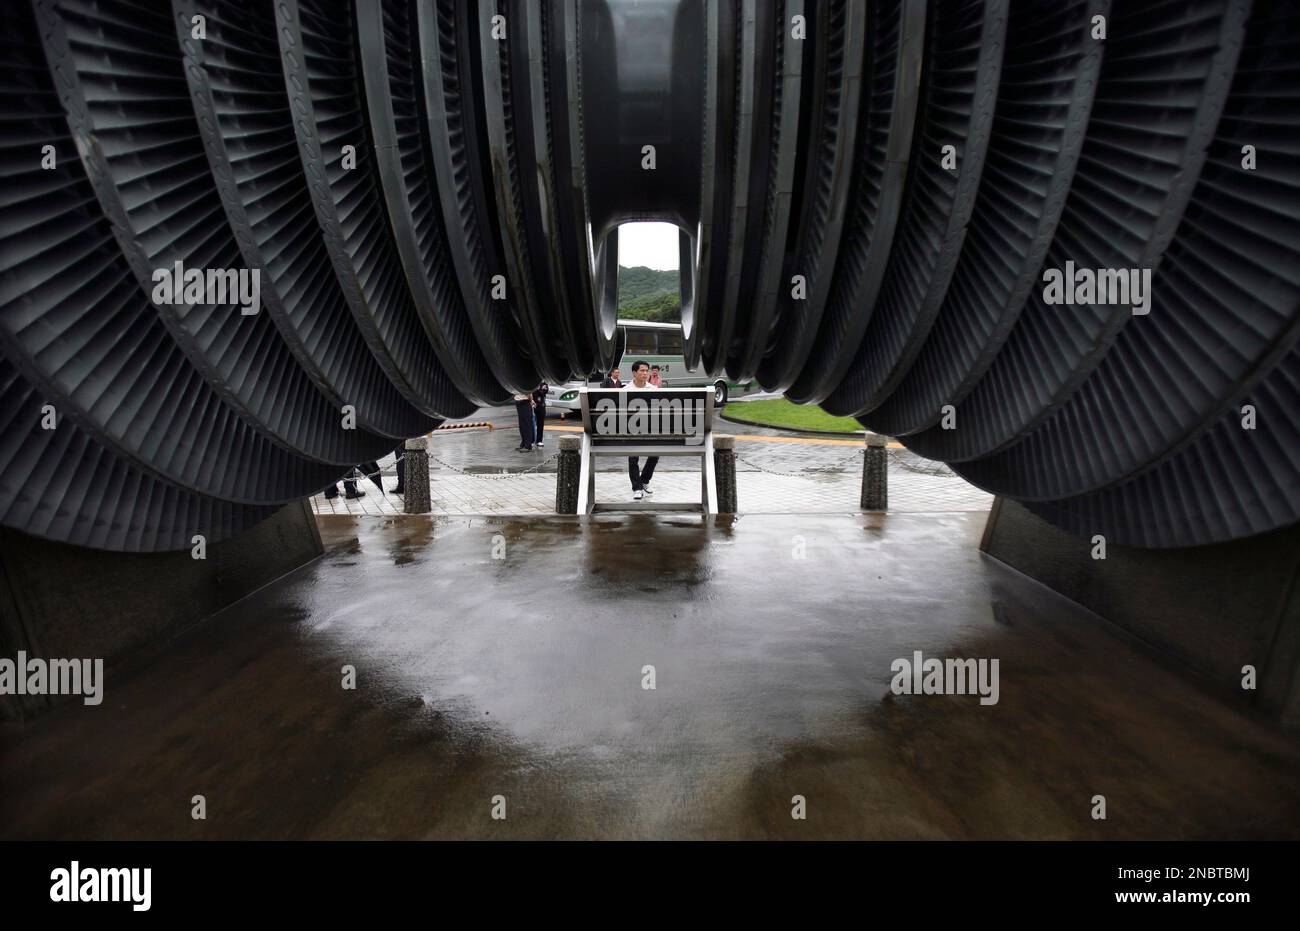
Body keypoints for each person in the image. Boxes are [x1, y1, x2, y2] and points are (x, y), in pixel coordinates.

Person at [625, 361, 658, 500]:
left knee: (655, 453)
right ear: (634, 373)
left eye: (646, 371)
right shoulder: (626, 390)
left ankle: (644, 480)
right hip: (632, 430)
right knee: (633, 457)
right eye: (642, 371)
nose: (645, 373)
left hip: (649, 428)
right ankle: (637, 487)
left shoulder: (653, 389)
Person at [532, 381, 549, 448]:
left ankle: (539, 440)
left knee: (540, 424)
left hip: (541, 406)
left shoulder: (544, 382)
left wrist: (540, 389)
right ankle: (532, 440)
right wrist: (540, 389)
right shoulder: (533, 382)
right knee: (532, 424)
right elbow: (533, 392)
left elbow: (545, 391)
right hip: (533, 406)